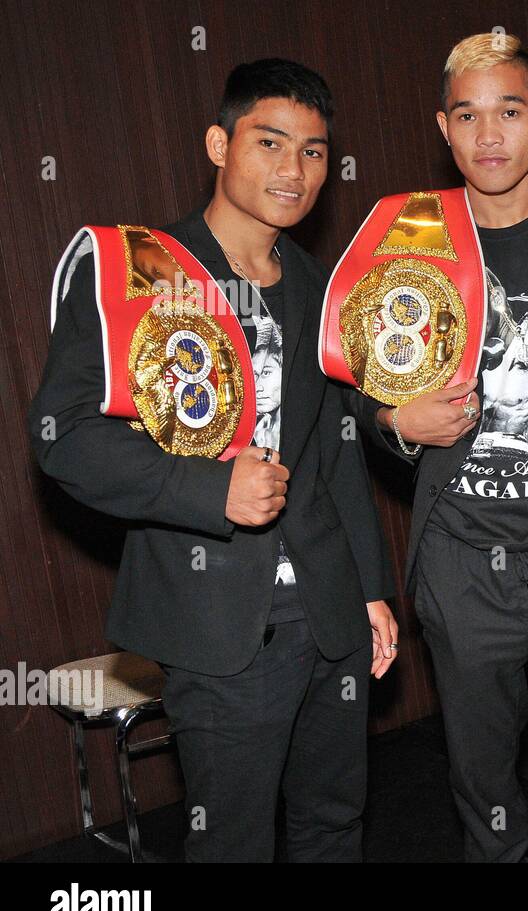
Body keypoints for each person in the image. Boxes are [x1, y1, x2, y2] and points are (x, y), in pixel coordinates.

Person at [28, 59, 397, 862]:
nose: (294, 170)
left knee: (334, 825)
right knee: (231, 843)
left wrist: (370, 588)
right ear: (217, 144)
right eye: (270, 142)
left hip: (329, 618)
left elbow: (332, 455)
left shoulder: (314, 281)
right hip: (223, 627)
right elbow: (64, 436)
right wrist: (208, 490)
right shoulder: (141, 270)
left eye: (313, 150)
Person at [353, 33, 528, 862]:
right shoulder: (406, 240)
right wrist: (394, 425)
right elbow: (355, 382)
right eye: (468, 116)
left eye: (509, 112)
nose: (489, 135)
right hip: (462, 562)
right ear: (444, 129)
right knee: (483, 793)